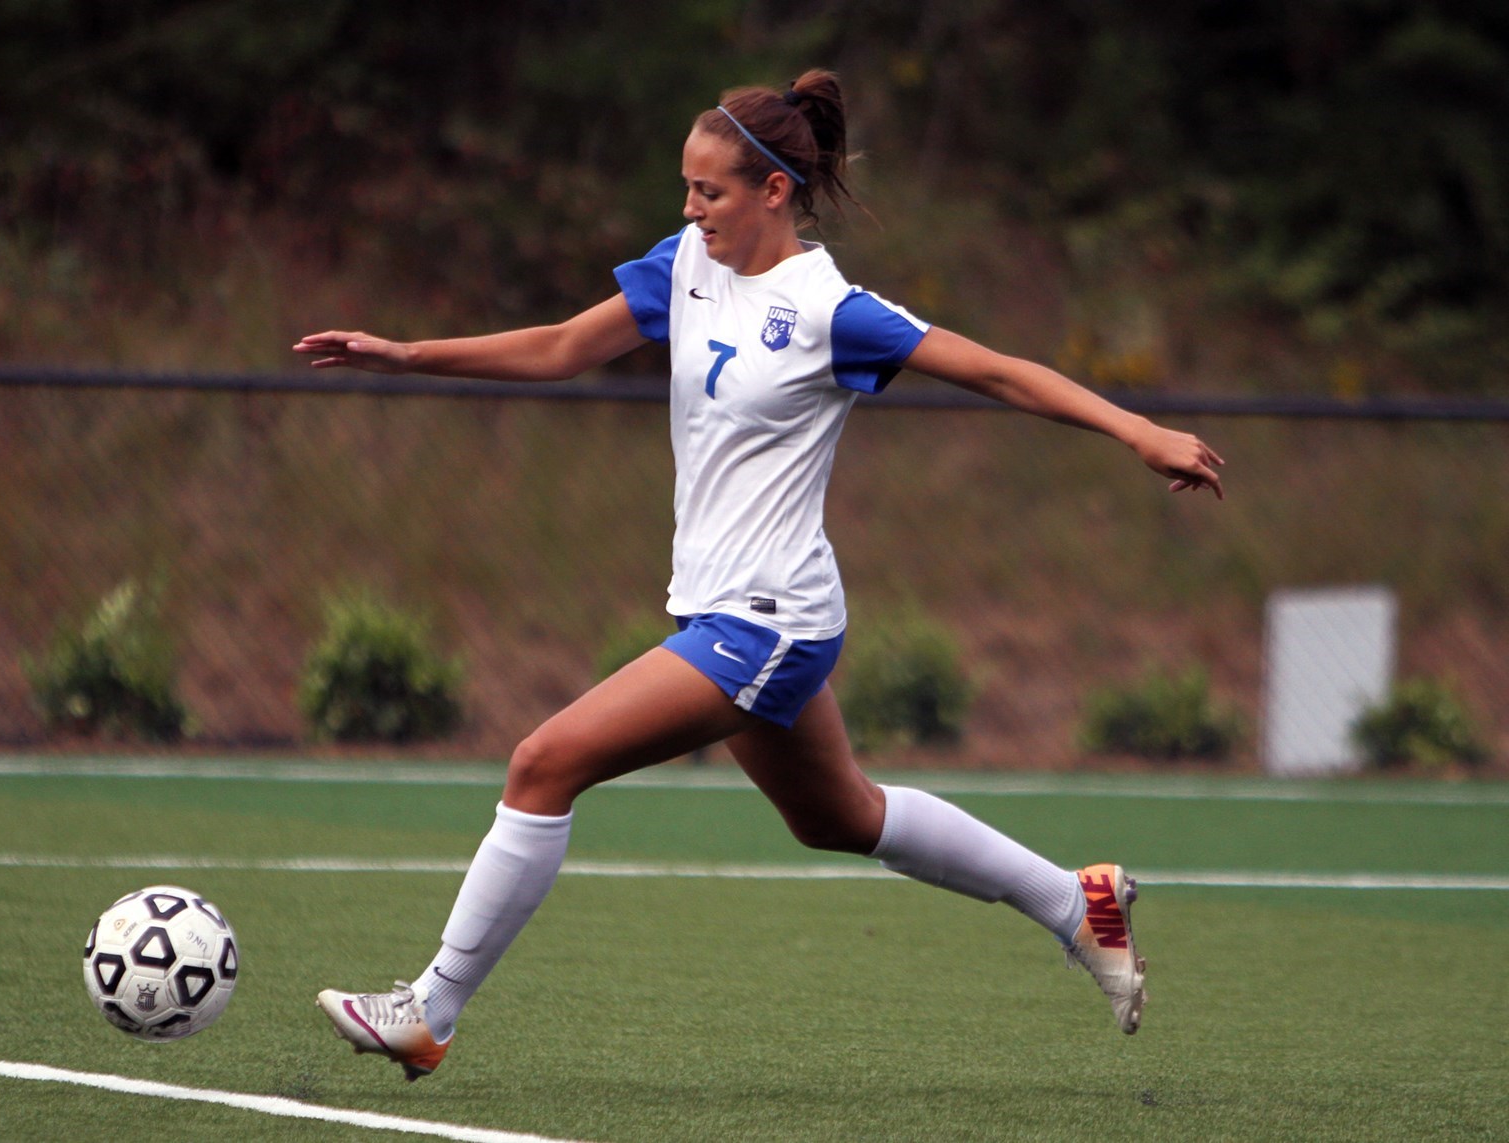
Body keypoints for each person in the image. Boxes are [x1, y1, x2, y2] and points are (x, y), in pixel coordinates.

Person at [293, 68, 1224, 1082]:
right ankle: (1072, 901)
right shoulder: (685, 263)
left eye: (710, 192)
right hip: (731, 608)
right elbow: (564, 345)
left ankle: (429, 1011)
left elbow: (998, 371)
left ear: (774, 190)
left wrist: (1137, 430)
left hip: (768, 620)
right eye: (687, 189)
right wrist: (407, 353)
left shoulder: (832, 311)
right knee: (838, 817)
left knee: (542, 764)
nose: (689, 210)